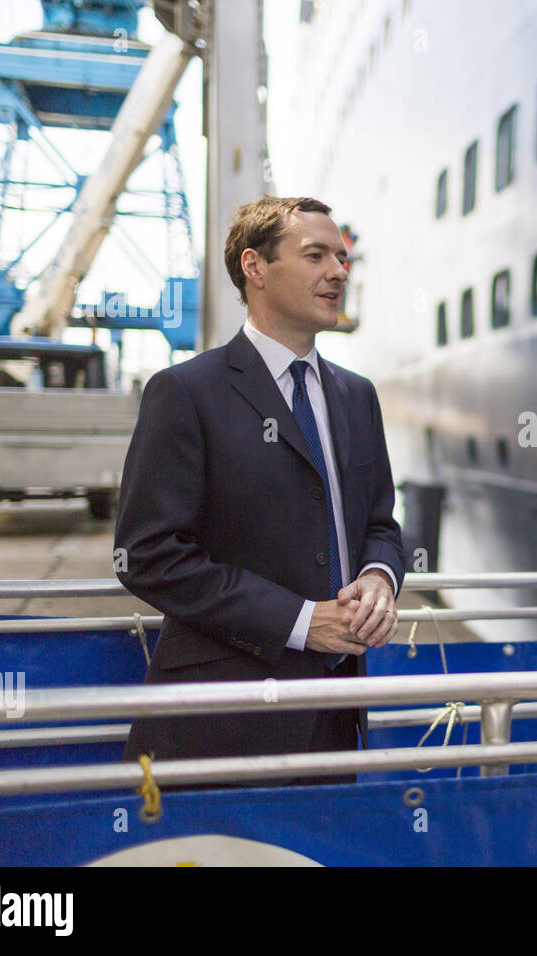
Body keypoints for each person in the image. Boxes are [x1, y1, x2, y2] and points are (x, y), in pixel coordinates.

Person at [116, 195, 405, 767]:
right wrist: (300, 623)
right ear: (254, 269)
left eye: (341, 258)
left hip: (336, 716)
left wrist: (378, 576)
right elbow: (146, 554)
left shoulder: (356, 395)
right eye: (316, 255)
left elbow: (379, 523)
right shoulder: (187, 392)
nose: (339, 272)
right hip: (218, 727)